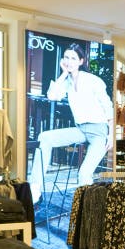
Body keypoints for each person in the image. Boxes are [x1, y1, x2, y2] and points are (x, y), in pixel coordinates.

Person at [29, 43, 113, 203]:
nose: (69, 61)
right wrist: (63, 73)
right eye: (66, 57)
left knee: (84, 174)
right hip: (80, 129)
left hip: (99, 132)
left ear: (81, 61)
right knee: (44, 137)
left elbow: (108, 106)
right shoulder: (66, 81)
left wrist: (112, 135)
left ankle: (88, 209)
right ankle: (35, 190)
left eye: (73, 58)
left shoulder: (92, 80)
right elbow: (52, 96)